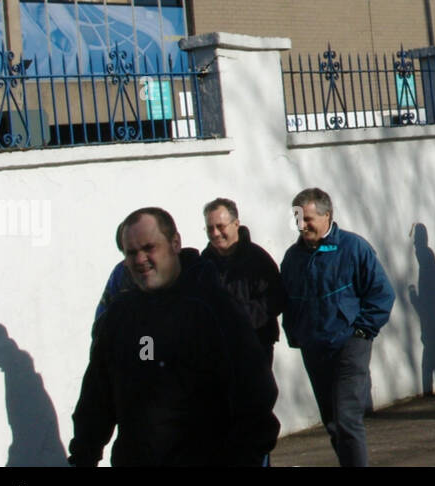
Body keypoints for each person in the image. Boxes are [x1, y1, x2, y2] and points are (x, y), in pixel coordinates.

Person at [69, 207, 280, 467]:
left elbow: (255, 392)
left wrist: (245, 455)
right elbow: (97, 395)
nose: (140, 259)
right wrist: (83, 455)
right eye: (131, 252)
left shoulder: (214, 308)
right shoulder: (119, 316)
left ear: (175, 243)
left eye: (149, 247)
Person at [280, 187, 395, 467]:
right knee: (332, 422)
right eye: (297, 219)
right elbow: (286, 300)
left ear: (327, 215)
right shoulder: (293, 257)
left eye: (308, 219)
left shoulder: (353, 248)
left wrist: (361, 331)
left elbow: (382, 294)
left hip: (349, 345)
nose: (302, 225)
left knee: (347, 420)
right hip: (314, 347)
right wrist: (295, 333)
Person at [200, 197, 286, 367]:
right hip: (218, 350)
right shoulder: (204, 264)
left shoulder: (257, 259)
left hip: (256, 345)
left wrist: (238, 319)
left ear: (236, 224)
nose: (215, 233)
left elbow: (276, 299)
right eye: (210, 228)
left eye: (220, 227)